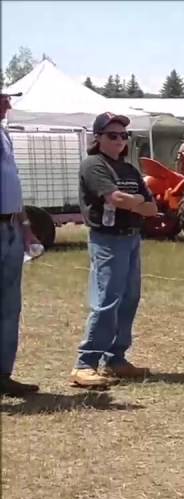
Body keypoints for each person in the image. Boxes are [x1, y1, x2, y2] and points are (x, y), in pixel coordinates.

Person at [71, 112, 159, 390]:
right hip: (108, 240)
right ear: (98, 138)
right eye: (113, 135)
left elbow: (153, 206)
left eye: (124, 135)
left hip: (131, 238)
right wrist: (134, 202)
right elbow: (115, 198)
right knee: (107, 300)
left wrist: (131, 202)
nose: (120, 140)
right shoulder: (93, 165)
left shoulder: (129, 169)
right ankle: (85, 364)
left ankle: (116, 359)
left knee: (129, 299)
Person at [0, 89, 41, 396]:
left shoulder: (5, 135)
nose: (9, 104)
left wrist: (25, 226)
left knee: (10, 306)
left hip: (11, 228)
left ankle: (3, 374)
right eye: (3, 98)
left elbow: (12, 183)